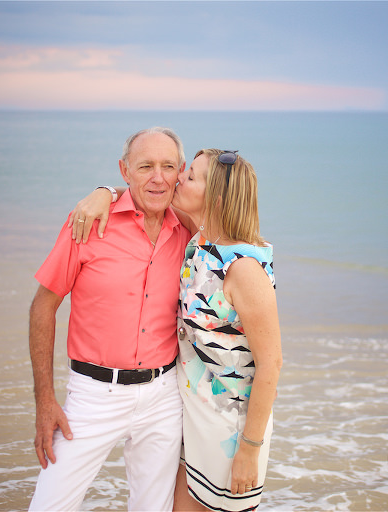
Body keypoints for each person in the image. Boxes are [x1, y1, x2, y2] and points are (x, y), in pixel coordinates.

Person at [71, 148, 282, 512]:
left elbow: (272, 364)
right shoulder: (198, 241)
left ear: (215, 199)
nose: (178, 177)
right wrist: (105, 191)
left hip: (228, 431)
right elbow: (147, 193)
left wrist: (250, 447)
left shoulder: (244, 270)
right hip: (188, 418)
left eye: (191, 176)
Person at [28, 126, 192, 511]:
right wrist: (45, 400)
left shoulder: (187, 230)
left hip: (164, 394)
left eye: (168, 166)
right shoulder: (87, 223)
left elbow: (233, 220)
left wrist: (107, 191)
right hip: (93, 395)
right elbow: (42, 307)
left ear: (180, 171)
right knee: (49, 506)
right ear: (124, 170)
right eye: (145, 166)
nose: (157, 177)